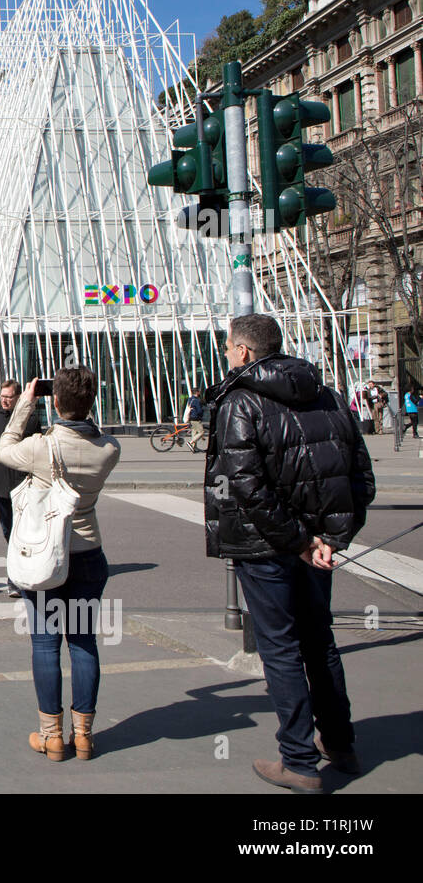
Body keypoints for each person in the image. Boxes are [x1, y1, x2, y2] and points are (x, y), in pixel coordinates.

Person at [204, 314, 374, 792]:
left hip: (270, 547)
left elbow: (247, 486)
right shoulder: (328, 394)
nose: (226, 354)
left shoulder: (239, 402)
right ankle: (339, 744)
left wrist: (300, 541)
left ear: (244, 352)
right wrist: (329, 538)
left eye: (228, 347)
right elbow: (360, 476)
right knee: (320, 641)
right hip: (312, 547)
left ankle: (299, 761)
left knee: (280, 649)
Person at [0, 367, 120, 763]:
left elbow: (4, 449)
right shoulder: (109, 449)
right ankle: (83, 734)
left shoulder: (40, 447)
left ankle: (51, 737)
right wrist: (80, 409)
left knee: (46, 643)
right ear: (91, 402)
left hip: (48, 559)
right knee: (83, 641)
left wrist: (26, 404)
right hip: (88, 554)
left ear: (54, 401)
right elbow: (92, 432)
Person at [0, 380, 38, 598]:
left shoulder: (30, 421)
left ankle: (20, 578)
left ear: (18, 398)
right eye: (2, 396)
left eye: (9, 397)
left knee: (23, 534)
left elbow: (36, 450)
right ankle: (15, 576)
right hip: (2, 486)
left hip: (25, 485)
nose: (4, 400)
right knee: (9, 533)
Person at [184, 387, 205, 452]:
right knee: (201, 432)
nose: (200, 393)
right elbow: (199, 410)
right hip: (196, 418)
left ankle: (194, 447)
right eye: (199, 391)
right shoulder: (196, 400)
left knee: (194, 432)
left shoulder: (190, 399)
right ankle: (190, 443)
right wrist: (202, 412)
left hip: (191, 417)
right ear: (197, 392)